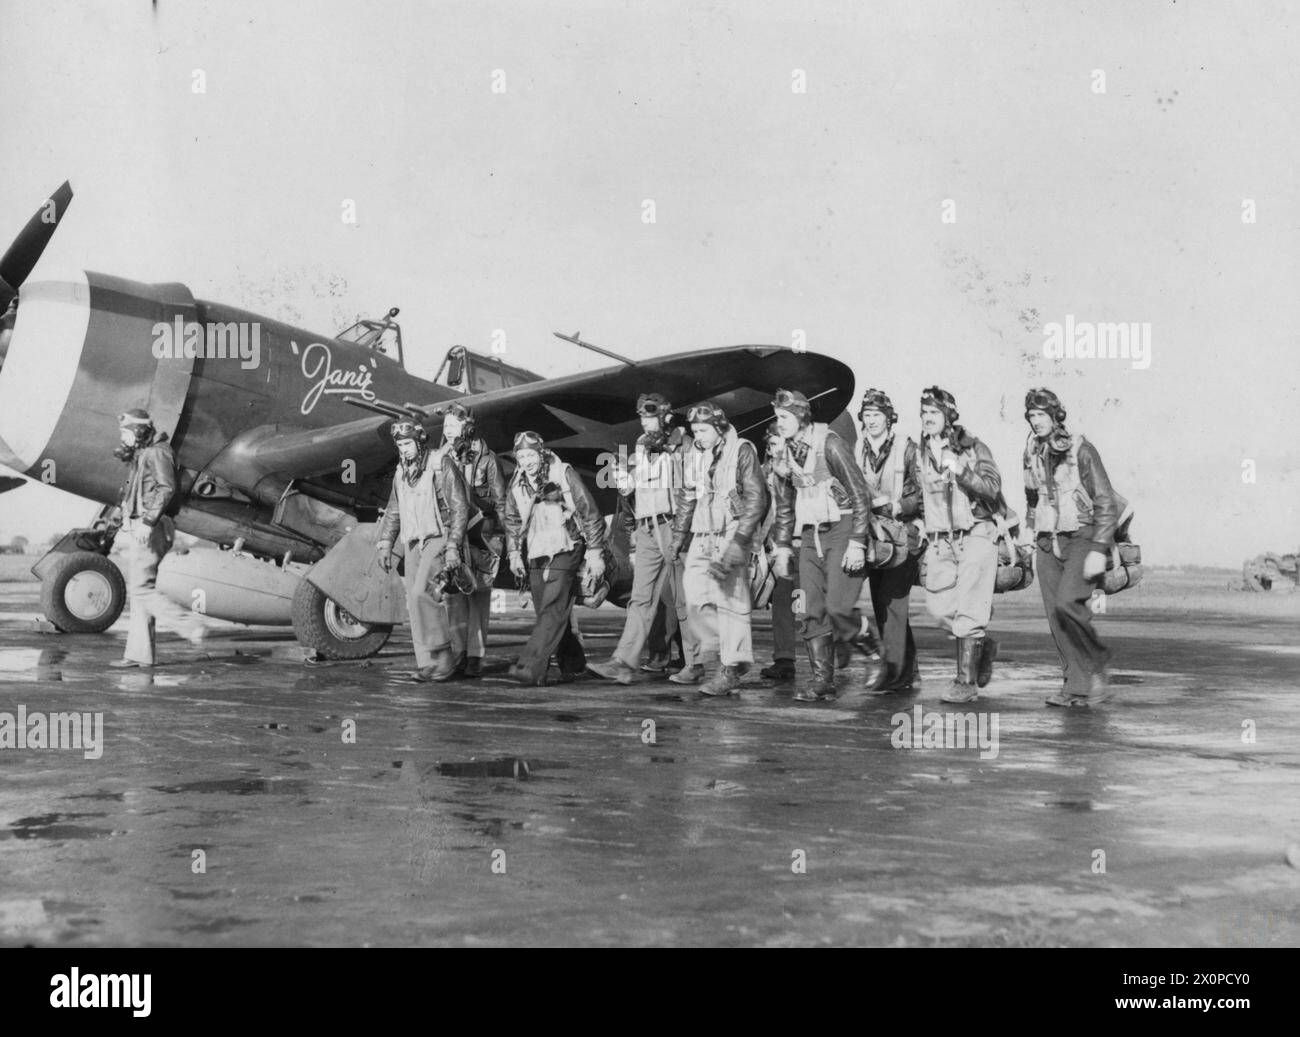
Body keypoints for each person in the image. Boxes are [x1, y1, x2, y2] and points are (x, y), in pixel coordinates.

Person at [769, 390, 884, 701]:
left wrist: (858, 543)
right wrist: (781, 546)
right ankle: (823, 680)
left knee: (837, 607)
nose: (779, 424)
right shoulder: (785, 454)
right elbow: (784, 506)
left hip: (842, 529)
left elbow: (859, 494)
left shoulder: (830, 443)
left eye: (784, 417)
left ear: (801, 417)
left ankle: (873, 652)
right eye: (777, 418)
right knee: (808, 608)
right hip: (809, 536)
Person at [588, 393, 699, 685]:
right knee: (641, 597)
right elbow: (638, 491)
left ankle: (696, 663)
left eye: (650, 416)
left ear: (666, 416)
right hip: (647, 527)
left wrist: (681, 533)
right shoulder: (640, 445)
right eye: (641, 417)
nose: (644, 422)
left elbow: (692, 488)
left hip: (674, 526)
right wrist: (627, 487)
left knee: (683, 599)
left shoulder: (684, 444)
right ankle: (623, 663)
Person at [1022, 388, 1120, 707]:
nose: (1036, 422)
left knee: (1067, 604)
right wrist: (1030, 530)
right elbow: (1031, 495)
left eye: (1041, 415)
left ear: (1055, 415)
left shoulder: (1081, 449)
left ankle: (1096, 664)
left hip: (1083, 534)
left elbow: (1105, 500)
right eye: (1031, 416)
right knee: (1054, 614)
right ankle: (1075, 685)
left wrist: (1099, 548)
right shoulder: (1031, 450)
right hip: (1048, 539)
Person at [670, 402, 767, 696]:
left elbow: (756, 497)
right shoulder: (695, 453)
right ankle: (732, 655)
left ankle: (729, 667)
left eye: (703, 430)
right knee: (694, 595)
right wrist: (678, 536)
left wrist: (740, 542)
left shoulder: (743, 450)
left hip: (731, 532)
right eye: (694, 431)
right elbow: (687, 496)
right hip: (702, 533)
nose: (698, 436)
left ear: (719, 427)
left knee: (729, 601)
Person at [917, 386, 1004, 703]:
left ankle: (964, 683)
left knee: (969, 610)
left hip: (975, 533)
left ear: (949, 416)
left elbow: (992, 487)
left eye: (934, 413)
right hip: (940, 539)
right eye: (924, 413)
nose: (928, 419)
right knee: (938, 608)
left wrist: (962, 470)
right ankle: (983, 646)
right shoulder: (920, 451)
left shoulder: (972, 446)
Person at [503, 432, 607, 685]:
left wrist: (595, 552)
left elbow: (589, 511)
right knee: (548, 612)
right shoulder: (517, 482)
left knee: (551, 609)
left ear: (541, 453)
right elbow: (513, 520)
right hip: (537, 550)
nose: (526, 461)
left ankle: (530, 668)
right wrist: (515, 553)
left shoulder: (563, 473)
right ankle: (574, 664)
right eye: (521, 456)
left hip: (567, 546)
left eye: (530, 455)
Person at [109, 409, 208, 669]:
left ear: (140, 431)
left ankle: (190, 625)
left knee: (142, 589)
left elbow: (167, 488)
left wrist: (147, 521)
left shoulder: (158, 452)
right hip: (146, 523)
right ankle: (139, 654)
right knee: (140, 590)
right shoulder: (146, 453)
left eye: (126, 432)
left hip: (153, 525)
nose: (123, 437)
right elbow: (137, 488)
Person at [376, 418, 471, 682]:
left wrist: (453, 545)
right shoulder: (401, 471)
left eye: (407, 443)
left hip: (438, 537)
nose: (403, 449)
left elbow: (459, 507)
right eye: (399, 445)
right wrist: (385, 542)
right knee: (413, 602)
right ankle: (427, 664)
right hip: (413, 541)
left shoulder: (441, 464)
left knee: (422, 594)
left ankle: (442, 658)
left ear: (419, 441)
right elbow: (394, 509)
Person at [857, 388, 923, 692]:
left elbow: (922, 492)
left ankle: (896, 673)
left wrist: (899, 506)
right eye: (867, 415)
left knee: (893, 604)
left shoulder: (908, 449)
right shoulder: (859, 449)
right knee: (882, 605)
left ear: (889, 418)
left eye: (877, 415)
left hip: (902, 536)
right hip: (875, 539)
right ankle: (909, 670)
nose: (872, 421)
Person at [440, 403, 506, 678]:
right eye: (445, 428)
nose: (447, 433)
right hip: (454, 532)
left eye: (452, 428)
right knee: (453, 595)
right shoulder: (443, 457)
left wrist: (505, 540)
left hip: (482, 533)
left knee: (479, 595)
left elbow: (501, 502)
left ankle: (476, 656)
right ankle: (458, 653)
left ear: (467, 428)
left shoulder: (488, 460)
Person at [760, 421, 799, 681]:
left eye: (779, 444)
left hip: (794, 544)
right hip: (771, 546)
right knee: (782, 603)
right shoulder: (765, 472)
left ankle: (787, 659)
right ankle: (784, 658)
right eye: (772, 445)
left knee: (793, 602)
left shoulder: (797, 470)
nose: (775, 450)